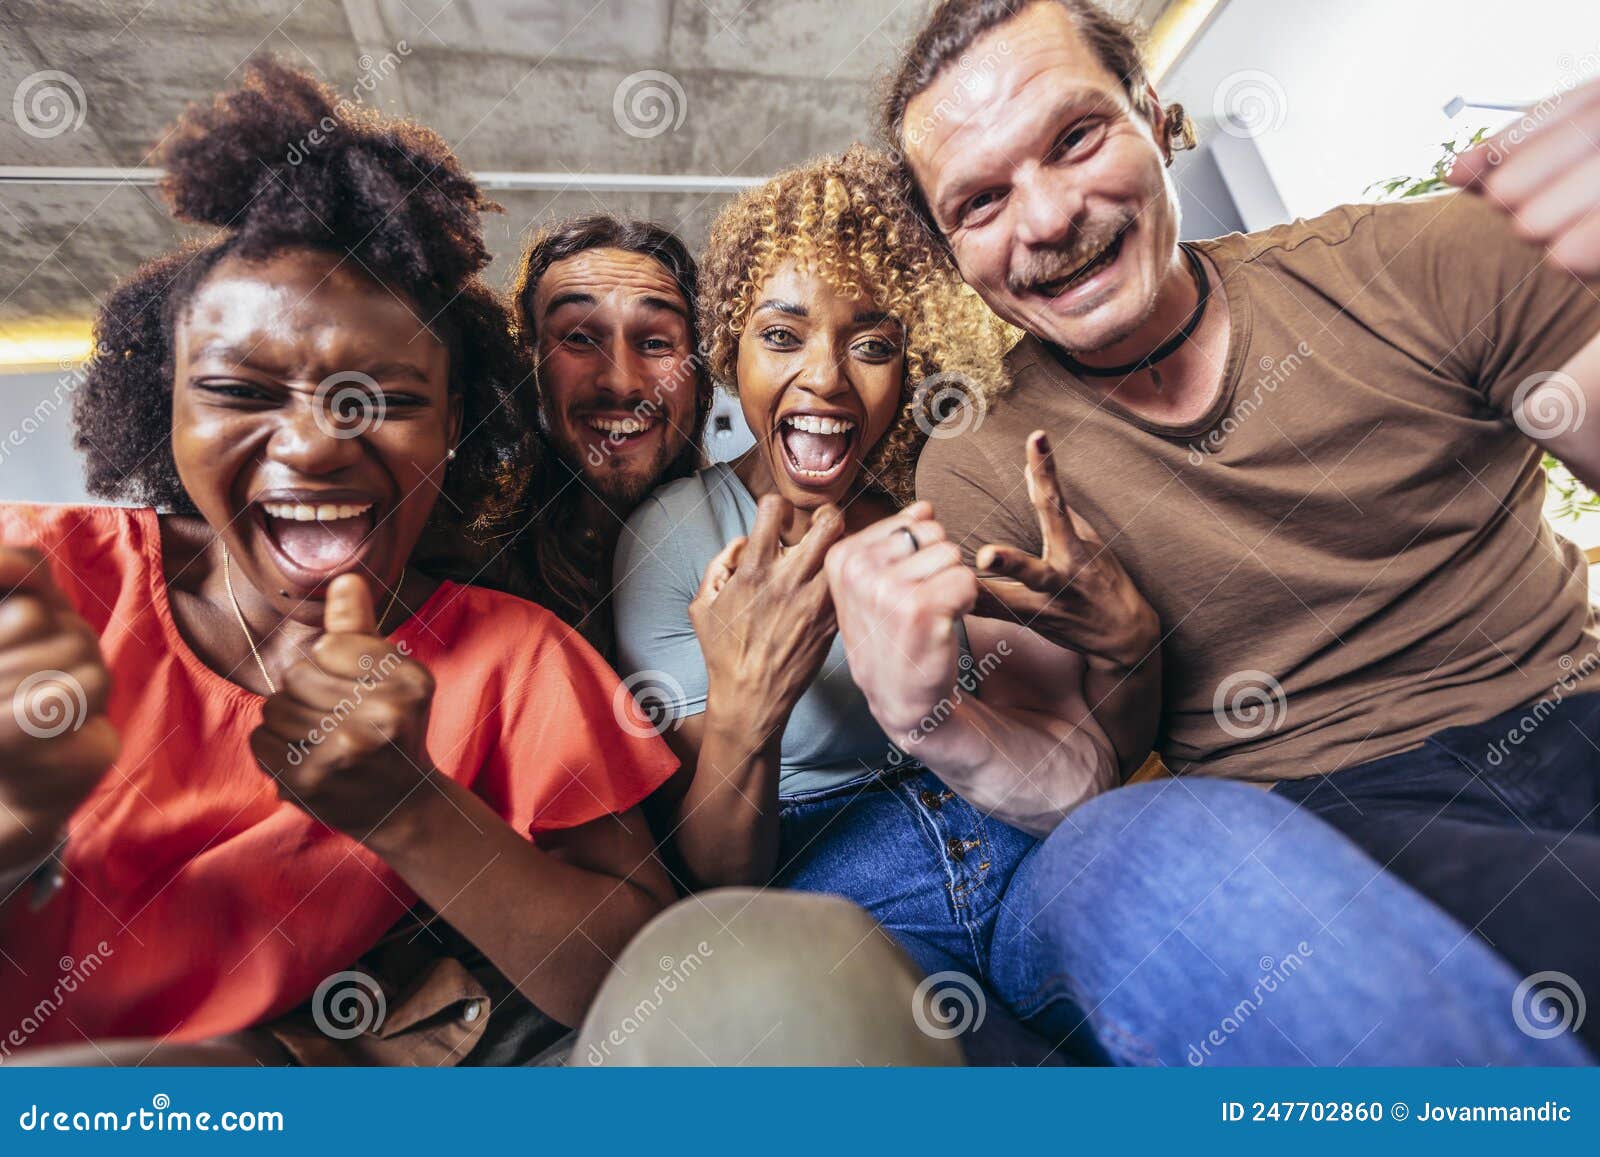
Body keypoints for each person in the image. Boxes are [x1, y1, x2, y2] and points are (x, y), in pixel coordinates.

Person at [611, 145, 1587, 1065]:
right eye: (780, 336)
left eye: (872, 342)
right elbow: (720, 875)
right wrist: (748, 698)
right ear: (729, 350)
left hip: (1029, 840)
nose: (824, 376)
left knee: (1168, 866)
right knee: (855, 1035)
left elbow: (1089, 755)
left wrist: (1123, 646)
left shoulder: (962, 489)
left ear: (910, 361)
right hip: (847, 889)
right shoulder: (679, 533)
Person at [877, 0, 1600, 1054]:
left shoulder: (1423, 262)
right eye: (980, 200)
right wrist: (928, 715)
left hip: (1569, 724)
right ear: (953, 251)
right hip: (1300, 836)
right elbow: (1073, 777)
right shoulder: (980, 462)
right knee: (1121, 845)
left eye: (1074, 139)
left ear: (1155, 118)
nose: (1041, 220)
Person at [0, 59, 682, 1064]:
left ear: (454, 424)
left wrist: (415, 809)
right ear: (167, 412)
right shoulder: (35, 572)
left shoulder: (510, 660)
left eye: (388, 400)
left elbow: (648, 969)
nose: (315, 445)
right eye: (239, 391)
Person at [505, 217, 711, 657]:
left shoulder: (746, 551)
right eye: (579, 338)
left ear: (701, 377)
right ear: (529, 361)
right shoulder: (467, 565)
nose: (621, 383)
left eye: (656, 344)